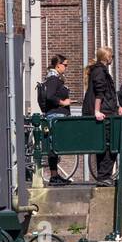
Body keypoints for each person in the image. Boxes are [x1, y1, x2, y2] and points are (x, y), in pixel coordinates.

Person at [87, 47, 122, 185]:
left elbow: (105, 94)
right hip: (105, 113)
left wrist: (116, 107)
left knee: (106, 145)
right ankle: (103, 176)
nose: (112, 59)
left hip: (108, 111)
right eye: (112, 56)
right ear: (107, 57)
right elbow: (100, 92)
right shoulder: (100, 71)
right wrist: (97, 111)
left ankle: (104, 176)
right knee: (110, 144)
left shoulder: (98, 71)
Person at [39, 54, 72, 186]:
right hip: (55, 116)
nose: (66, 67)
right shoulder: (53, 79)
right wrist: (63, 103)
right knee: (54, 146)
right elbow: (50, 96)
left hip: (56, 115)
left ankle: (55, 175)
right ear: (58, 65)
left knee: (55, 146)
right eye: (65, 65)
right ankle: (54, 176)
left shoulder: (55, 78)